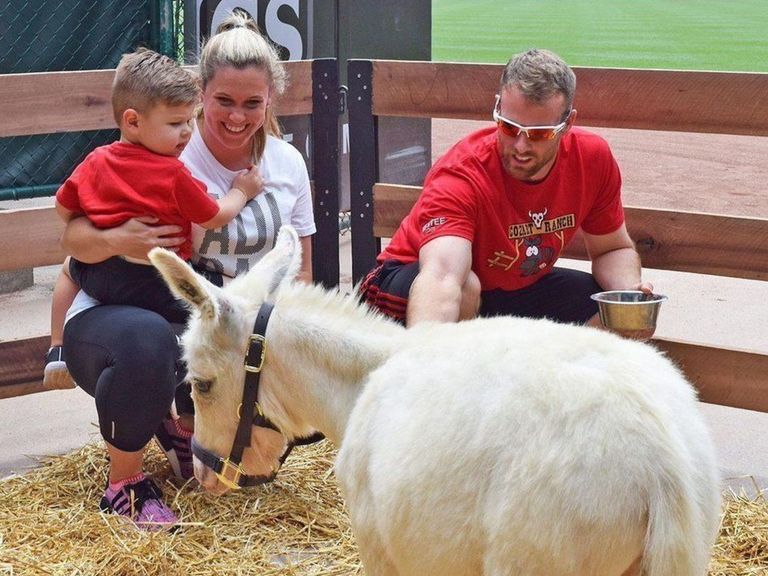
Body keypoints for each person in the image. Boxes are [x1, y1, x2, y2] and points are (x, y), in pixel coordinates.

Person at [58, 10, 315, 531]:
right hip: (122, 316)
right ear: (201, 96)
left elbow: (300, 266)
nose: (237, 117)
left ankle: (183, 424)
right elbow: (71, 243)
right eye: (222, 101)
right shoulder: (163, 149)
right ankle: (125, 485)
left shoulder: (288, 164)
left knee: (253, 459)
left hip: (218, 321)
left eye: (252, 103)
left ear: (271, 102)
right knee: (154, 339)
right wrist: (112, 239)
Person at [360, 48, 653, 331]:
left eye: (539, 134)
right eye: (510, 127)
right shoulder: (463, 173)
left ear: (567, 124)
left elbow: (612, 248)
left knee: (608, 311)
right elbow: (442, 277)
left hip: (504, 290)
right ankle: (452, 378)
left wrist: (628, 297)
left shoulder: (591, 159)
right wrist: (423, 364)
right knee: (466, 286)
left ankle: (536, 379)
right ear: (498, 107)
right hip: (409, 288)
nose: (521, 147)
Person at [43, 48, 263, 391]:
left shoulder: (96, 161)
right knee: (210, 309)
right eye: (176, 124)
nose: (187, 132)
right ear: (132, 121)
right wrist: (242, 191)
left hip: (101, 274)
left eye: (190, 120)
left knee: (69, 268)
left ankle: (56, 347)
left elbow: (63, 210)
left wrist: (105, 223)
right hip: (154, 281)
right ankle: (186, 396)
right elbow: (215, 217)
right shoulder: (173, 173)